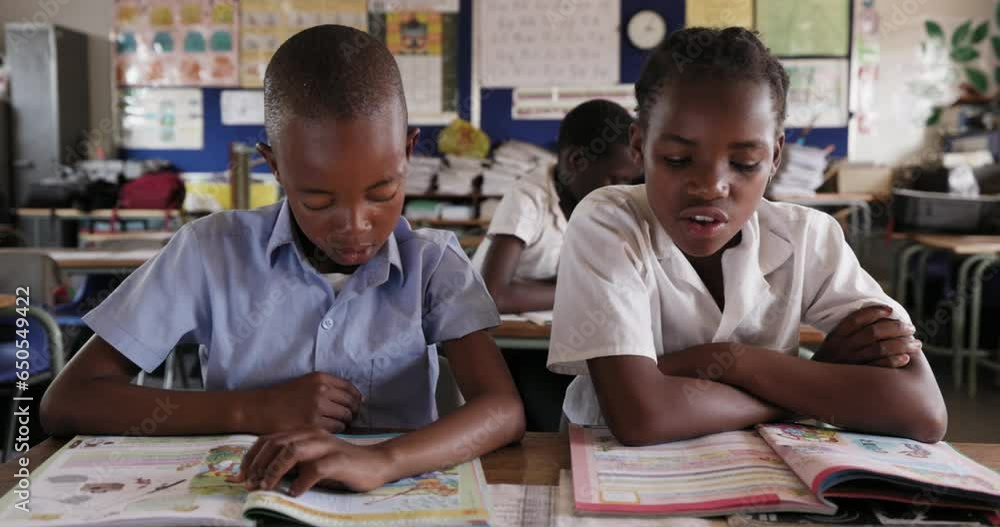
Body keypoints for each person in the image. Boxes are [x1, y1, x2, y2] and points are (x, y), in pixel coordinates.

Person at [41, 25, 525, 495]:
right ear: (274, 166)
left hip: (393, 499)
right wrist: (252, 411)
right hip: (246, 500)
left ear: (408, 151)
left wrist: (382, 460)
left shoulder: (434, 264)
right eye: (317, 200)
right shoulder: (210, 251)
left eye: (383, 192)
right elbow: (69, 401)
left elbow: (502, 410)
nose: (356, 224)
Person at [546, 27, 947, 446]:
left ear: (774, 156)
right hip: (619, 481)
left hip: (761, 481)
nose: (710, 186)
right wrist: (807, 385)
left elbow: (923, 412)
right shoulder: (608, 221)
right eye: (678, 160)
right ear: (638, 145)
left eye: (744, 162)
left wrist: (733, 362)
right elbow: (642, 416)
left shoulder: (809, 237)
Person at [474, 99, 641, 314]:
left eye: (630, 182)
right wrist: (586, 290)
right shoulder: (528, 198)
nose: (622, 194)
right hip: (488, 326)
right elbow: (494, 296)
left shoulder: (597, 204)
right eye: (616, 180)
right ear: (577, 161)